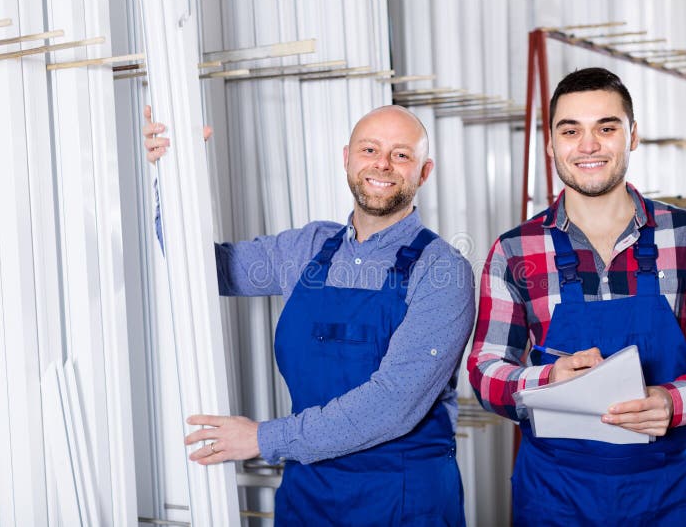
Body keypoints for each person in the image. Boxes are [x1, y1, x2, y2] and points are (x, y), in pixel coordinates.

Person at [143, 104, 475, 525]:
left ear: (424, 172)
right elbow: (203, 270)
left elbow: (392, 403)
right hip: (308, 496)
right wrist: (175, 171)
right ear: (347, 158)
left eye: (401, 154)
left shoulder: (443, 270)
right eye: (369, 149)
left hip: (403, 499)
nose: (382, 164)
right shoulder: (307, 248)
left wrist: (262, 438)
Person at [467, 67, 686, 526]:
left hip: (664, 496)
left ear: (632, 135)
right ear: (551, 144)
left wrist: (673, 402)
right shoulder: (515, 251)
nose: (588, 146)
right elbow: (485, 369)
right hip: (554, 498)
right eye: (571, 131)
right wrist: (548, 381)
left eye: (606, 128)